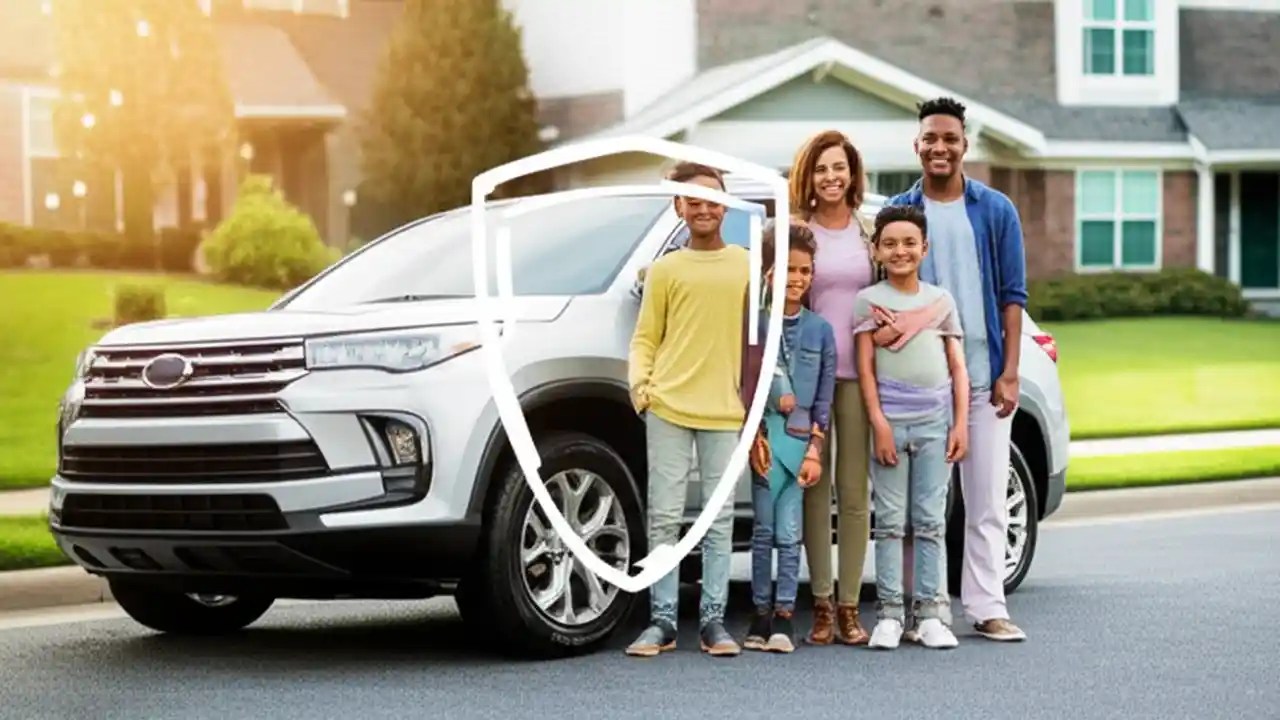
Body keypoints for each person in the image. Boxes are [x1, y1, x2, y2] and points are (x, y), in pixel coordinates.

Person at [884, 96, 1029, 642]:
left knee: (986, 499)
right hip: (919, 385)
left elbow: (1013, 296)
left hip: (982, 377)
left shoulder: (996, 211)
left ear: (964, 144)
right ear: (916, 145)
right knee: (914, 504)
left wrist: (1009, 372)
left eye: (950, 138)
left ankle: (987, 605)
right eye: (930, 138)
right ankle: (916, 609)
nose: (940, 147)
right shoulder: (901, 212)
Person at [625, 161, 751, 658]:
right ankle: (661, 621)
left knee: (718, 518)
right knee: (664, 517)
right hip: (669, 405)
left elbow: (763, 332)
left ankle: (714, 622)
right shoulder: (665, 270)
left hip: (725, 409)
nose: (702, 208)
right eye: (691, 200)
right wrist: (642, 389)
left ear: (726, 205)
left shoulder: (745, 264)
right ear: (678, 207)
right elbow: (645, 337)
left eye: (711, 199)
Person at [853, 205, 969, 650]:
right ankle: (888, 614)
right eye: (890, 244)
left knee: (929, 520)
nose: (900, 251)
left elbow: (957, 367)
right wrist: (879, 423)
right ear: (876, 250)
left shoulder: (940, 302)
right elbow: (865, 369)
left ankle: (932, 614)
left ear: (925, 248)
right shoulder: (868, 301)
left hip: (935, 423)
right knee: (888, 522)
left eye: (909, 243)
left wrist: (960, 423)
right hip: (891, 425)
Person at [787, 129, 878, 645]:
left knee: (854, 493)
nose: (830, 177)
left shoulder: (867, 234)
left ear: (851, 173)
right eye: (821, 168)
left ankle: (849, 606)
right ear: (809, 176)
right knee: (814, 493)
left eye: (838, 167)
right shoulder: (797, 233)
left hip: (859, 378)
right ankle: (820, 605)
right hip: (808, 379)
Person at [742, 221, 836, 654]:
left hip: (801, 446)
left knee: (788, 532)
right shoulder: (756, 328)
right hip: (765, 441)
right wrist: (755, 436)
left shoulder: (821, 331)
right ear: (768, 275)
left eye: (804, 271)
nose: (796, 279)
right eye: (786, 270)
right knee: (762, 532)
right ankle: (759, 613)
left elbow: (824, 399)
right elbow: (746, 386)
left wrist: (815, 449)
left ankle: (784, 615)